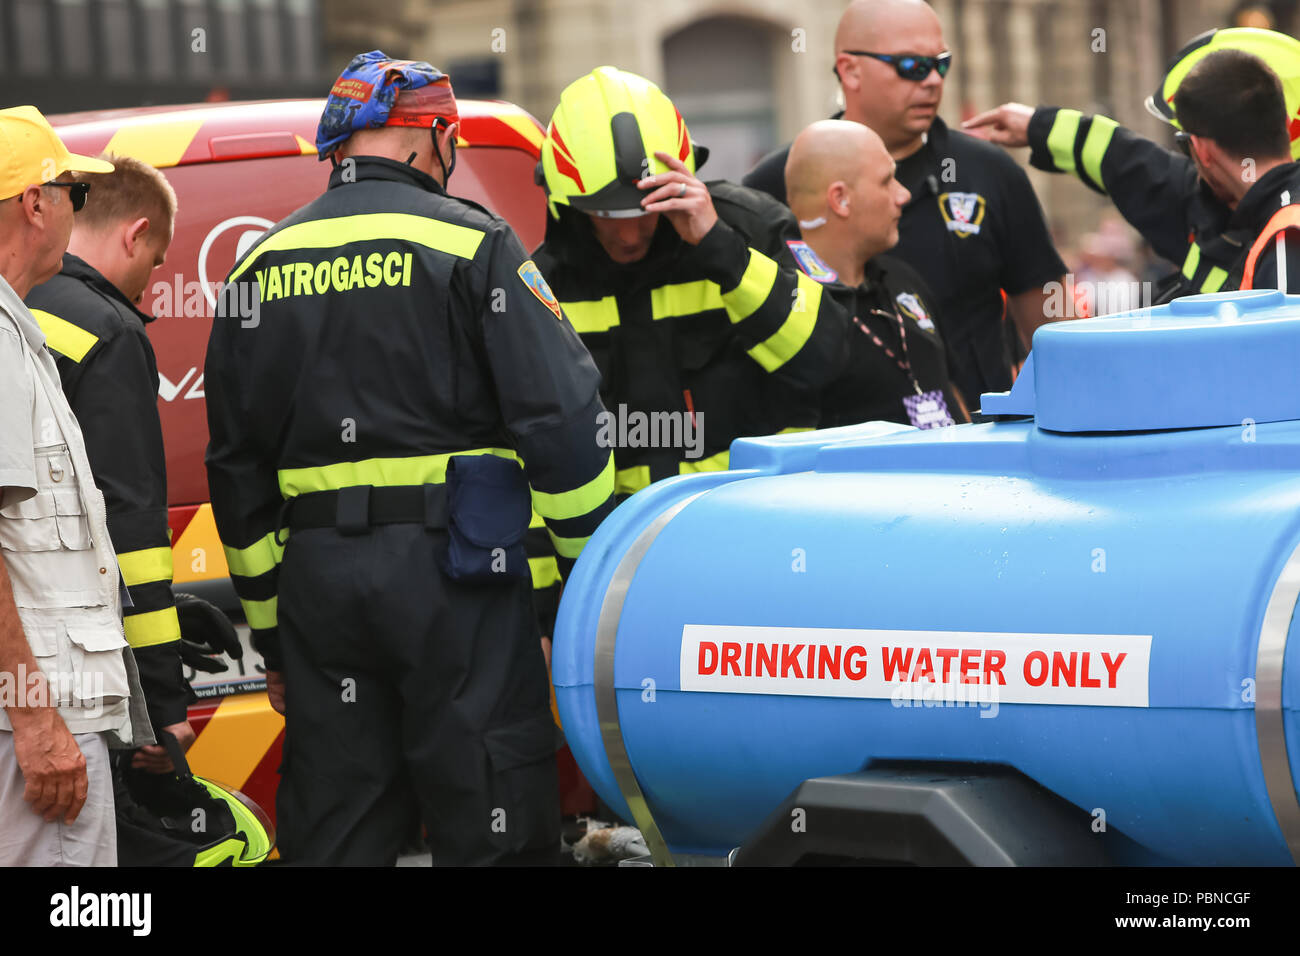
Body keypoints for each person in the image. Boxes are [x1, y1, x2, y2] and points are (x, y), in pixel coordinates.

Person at [203, 52, 615, 866]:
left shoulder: (257, 266)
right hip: (459, 585)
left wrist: (276, 638)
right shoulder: (474, 243)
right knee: (490, 807)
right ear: (427, 138)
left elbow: (236, 471)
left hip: (322, 594)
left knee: (340, 825)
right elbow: (563, 422)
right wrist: (585, 583)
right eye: (449, 137)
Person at [533, 65, 847, 499]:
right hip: (626, 541)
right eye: (606, 216)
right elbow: (536, 451)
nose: (628, 235)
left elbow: (823, 359)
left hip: (759, 518)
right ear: (565, 204)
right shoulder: (545, 286)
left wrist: (721, 251)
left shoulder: (752, 228)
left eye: (647, 209)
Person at [25, 155, 241, 774]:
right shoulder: (110, 330)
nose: (152, 279)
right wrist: (159, 703)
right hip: (74, 665)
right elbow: (129, 524)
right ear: (135, 232)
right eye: (156, 261)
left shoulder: (18, 306)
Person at [743, 0, 1068, 406]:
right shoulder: (781, 183)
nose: (932, 80)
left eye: (941, 64)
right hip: (833, 457)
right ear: (850, 70)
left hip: (982, 447)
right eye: (912, 66)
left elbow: (1057, 333)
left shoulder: (988, 172)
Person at [0, 105, 153, 866]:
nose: (75, 210)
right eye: (74, 193)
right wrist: (33, 720)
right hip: (31, 723)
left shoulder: (17, 328)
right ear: (36, 202)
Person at [965, 40, 1300, 298]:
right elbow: (1135, 166)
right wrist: (1040, 127)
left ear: (1201, 150)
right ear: (1284, 125)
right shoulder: (1228, 210)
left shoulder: (1286, 239)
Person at [786, 120, 968, 428]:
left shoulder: (903, 282)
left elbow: (950, 388)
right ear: (840, 199)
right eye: (887, 181)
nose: (904, 195)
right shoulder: (787, 308)